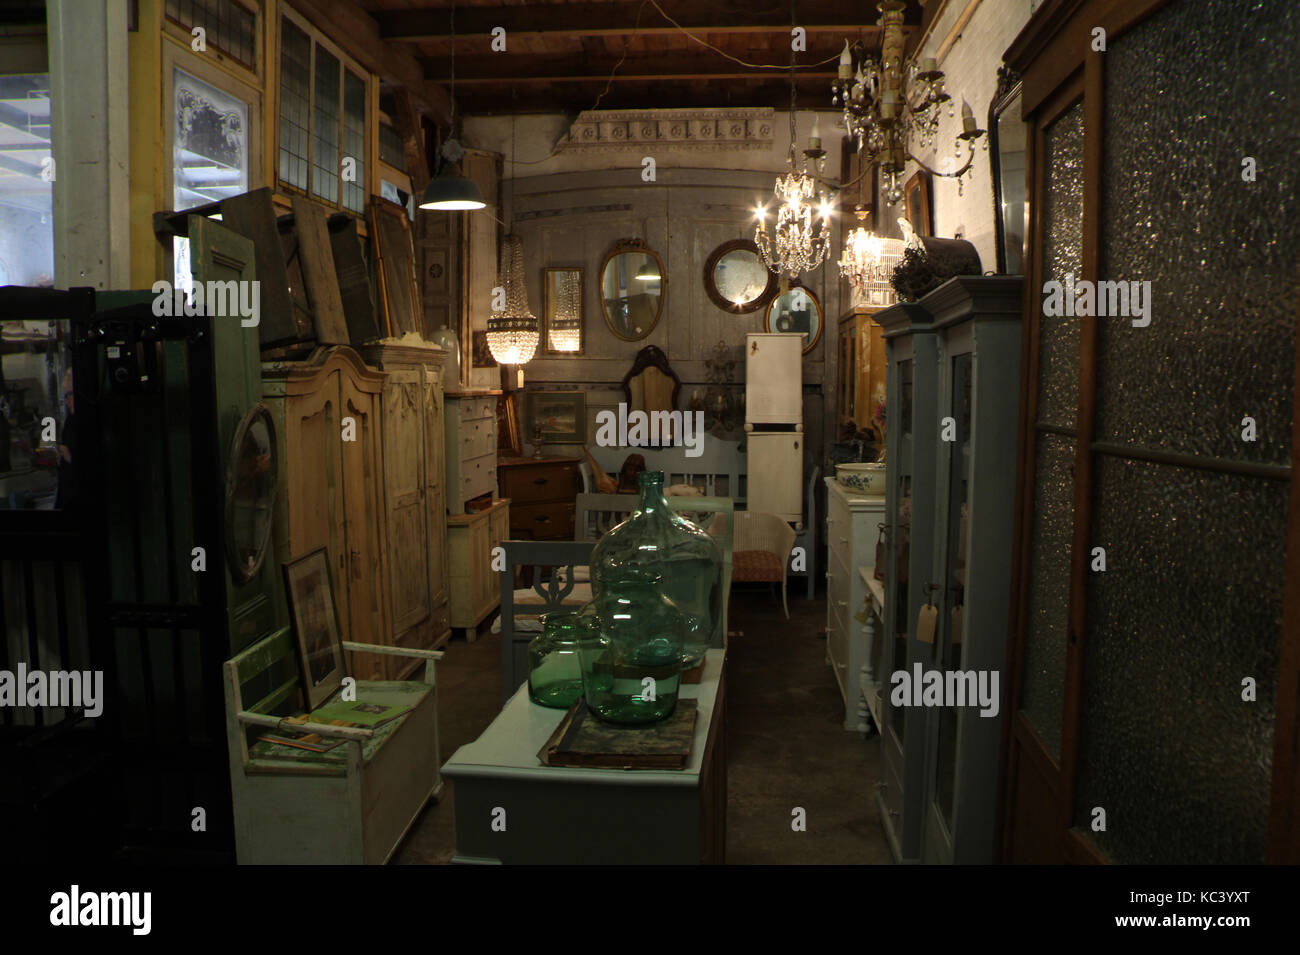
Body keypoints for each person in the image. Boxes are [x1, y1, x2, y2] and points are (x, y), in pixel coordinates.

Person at [54, 368, 76, 510]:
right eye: (66, 396)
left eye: (70, 395)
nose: (67, 401)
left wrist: (70, 458)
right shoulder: (70, 422)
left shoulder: (87, 423)